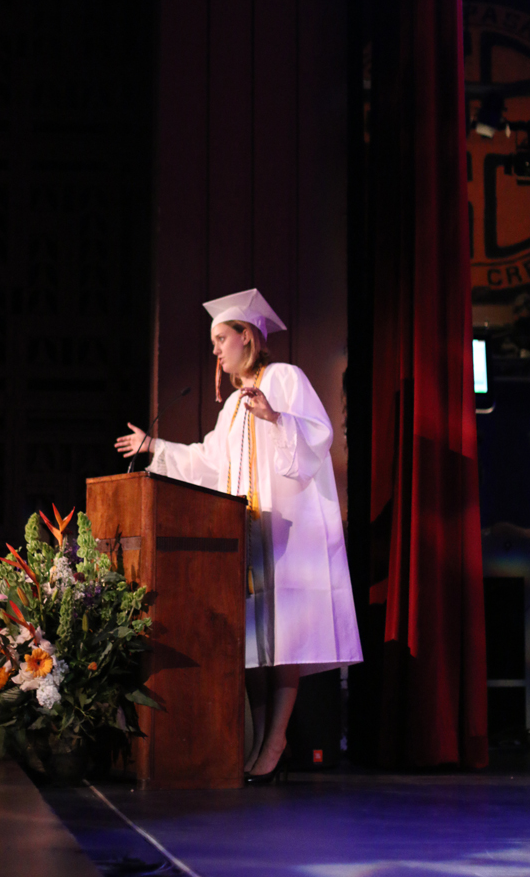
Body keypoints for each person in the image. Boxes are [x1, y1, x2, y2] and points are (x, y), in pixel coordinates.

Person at [115, 288, 362, 783]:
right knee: (250, 641)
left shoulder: (285, 379)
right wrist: (155, 446)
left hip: (284, 533)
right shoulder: (230, 406)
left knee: (282, 640)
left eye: (220, 339)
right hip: (242, 534)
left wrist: (276, 417)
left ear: (246, 336)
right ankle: (260, 742)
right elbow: (210, 462)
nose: (215, 350)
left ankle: (275, 742)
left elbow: (318, 435)